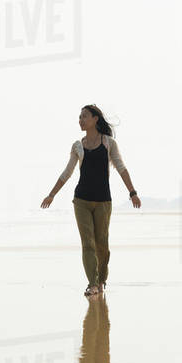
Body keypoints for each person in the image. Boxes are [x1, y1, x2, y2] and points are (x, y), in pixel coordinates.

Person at [40, 104, 140, 296]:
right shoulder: (78, 145)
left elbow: (121, 168)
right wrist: (52, 194)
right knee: (87, 243)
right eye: (79, 117)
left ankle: (101, 280)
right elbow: (67, 173)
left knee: (102, 244)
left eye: (84, 116)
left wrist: (132, 192)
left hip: (103, 201)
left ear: (95, 119)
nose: (80, 120)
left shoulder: (108, 143)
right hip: (82, 201)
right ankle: (92, 284)